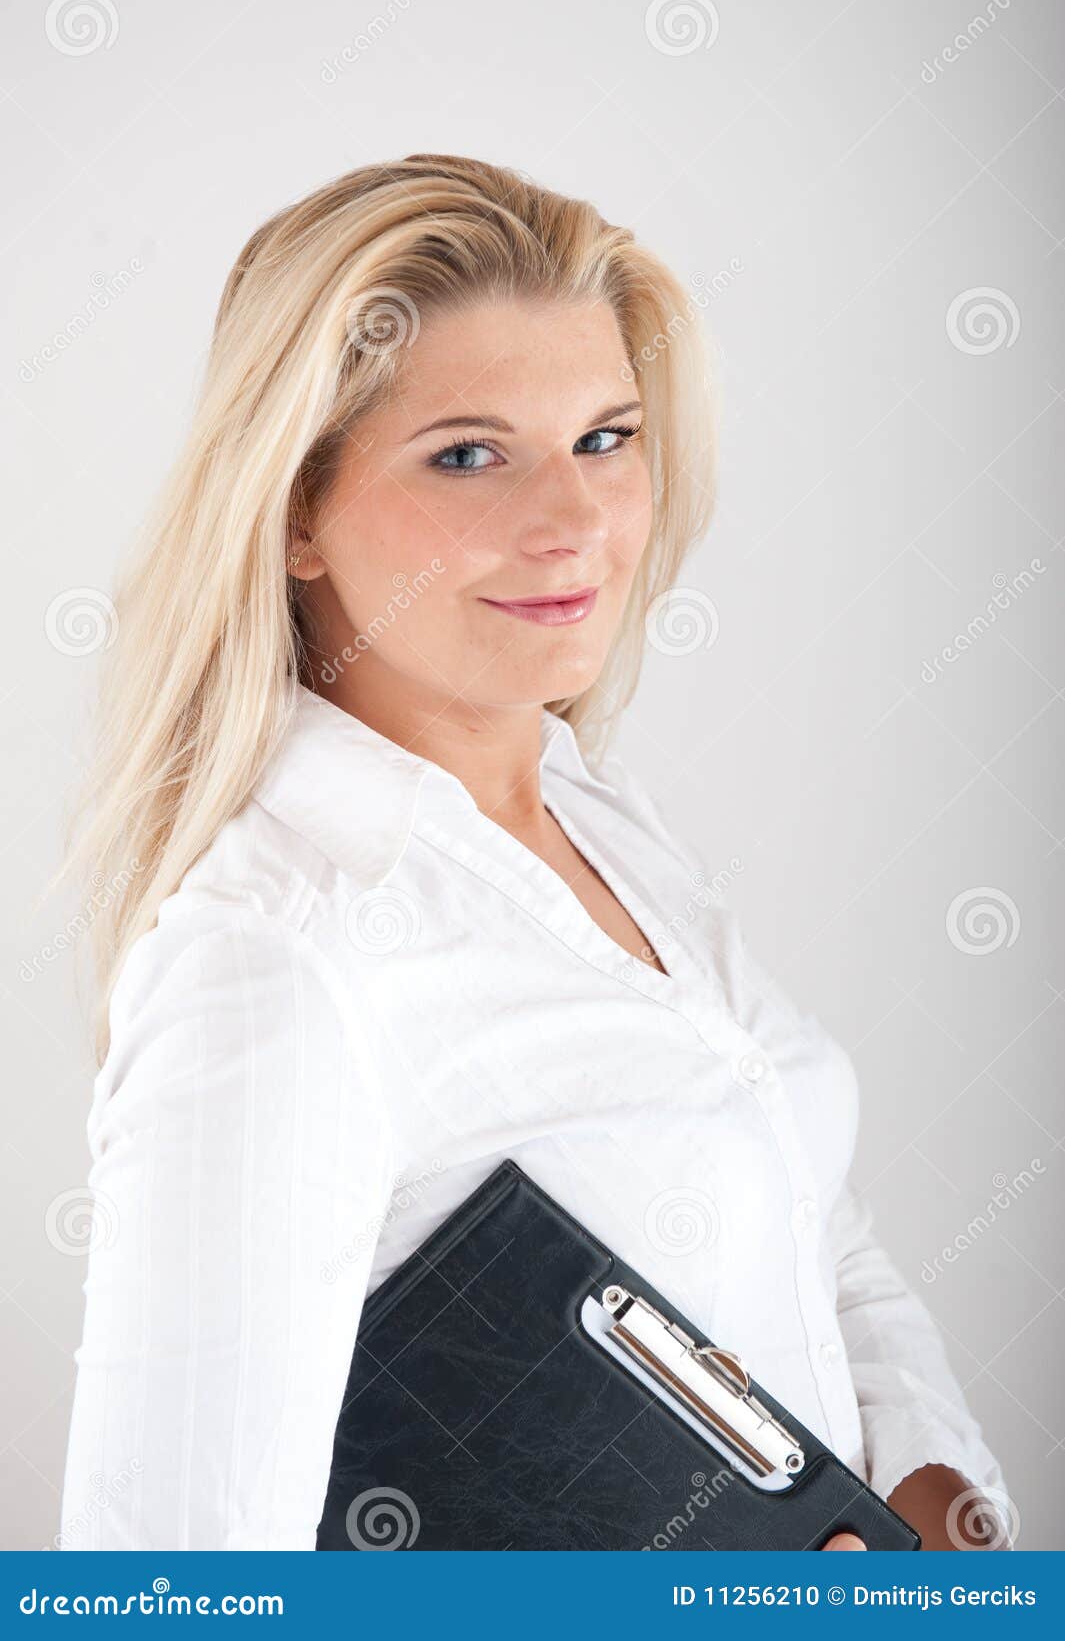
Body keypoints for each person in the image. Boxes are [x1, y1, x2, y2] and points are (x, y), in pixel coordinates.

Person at [57, 155, 1009, 1551]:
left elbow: (804, 1205)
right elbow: (173, 1593)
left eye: (605, 438)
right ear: (296, 512)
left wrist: (936, 1531)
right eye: (467, 454)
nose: (572, 523)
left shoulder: (592, 811)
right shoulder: (272, 960)